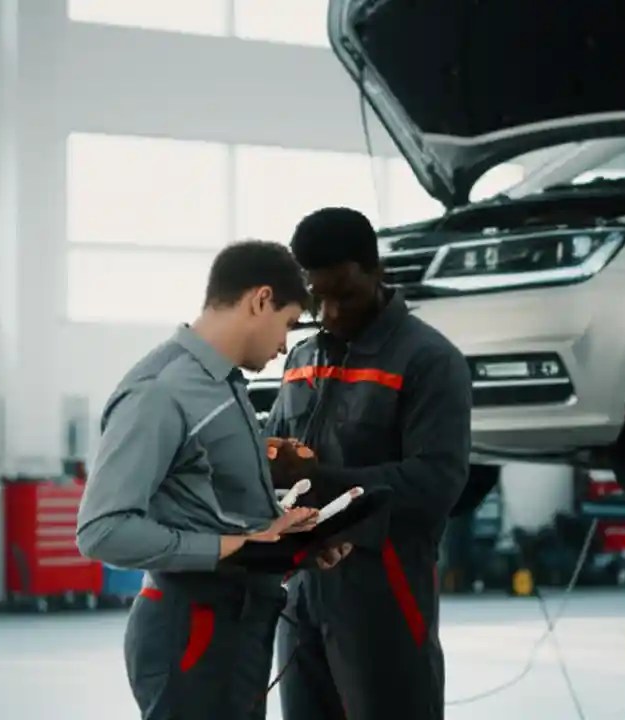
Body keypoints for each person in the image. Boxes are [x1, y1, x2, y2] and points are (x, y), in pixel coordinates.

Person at [75, 239, 353, 720]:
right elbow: (101, 531)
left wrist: (290, 541)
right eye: (287, 324)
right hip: (192, 632)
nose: (285, 344)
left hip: (236, 627)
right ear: (259, 300)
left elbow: (216, 507)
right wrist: (236, 545)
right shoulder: (161, 392)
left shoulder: (224, 386)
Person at [265, 207, 473, 720]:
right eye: (318, 297)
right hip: (300, 594)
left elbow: (436, 483)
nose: (331, 312)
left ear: (377, 272)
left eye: (346, 293)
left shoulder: (428, 360)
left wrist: (320, 481)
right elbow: (270, 454)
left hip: (384, 593)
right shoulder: (299, 359)